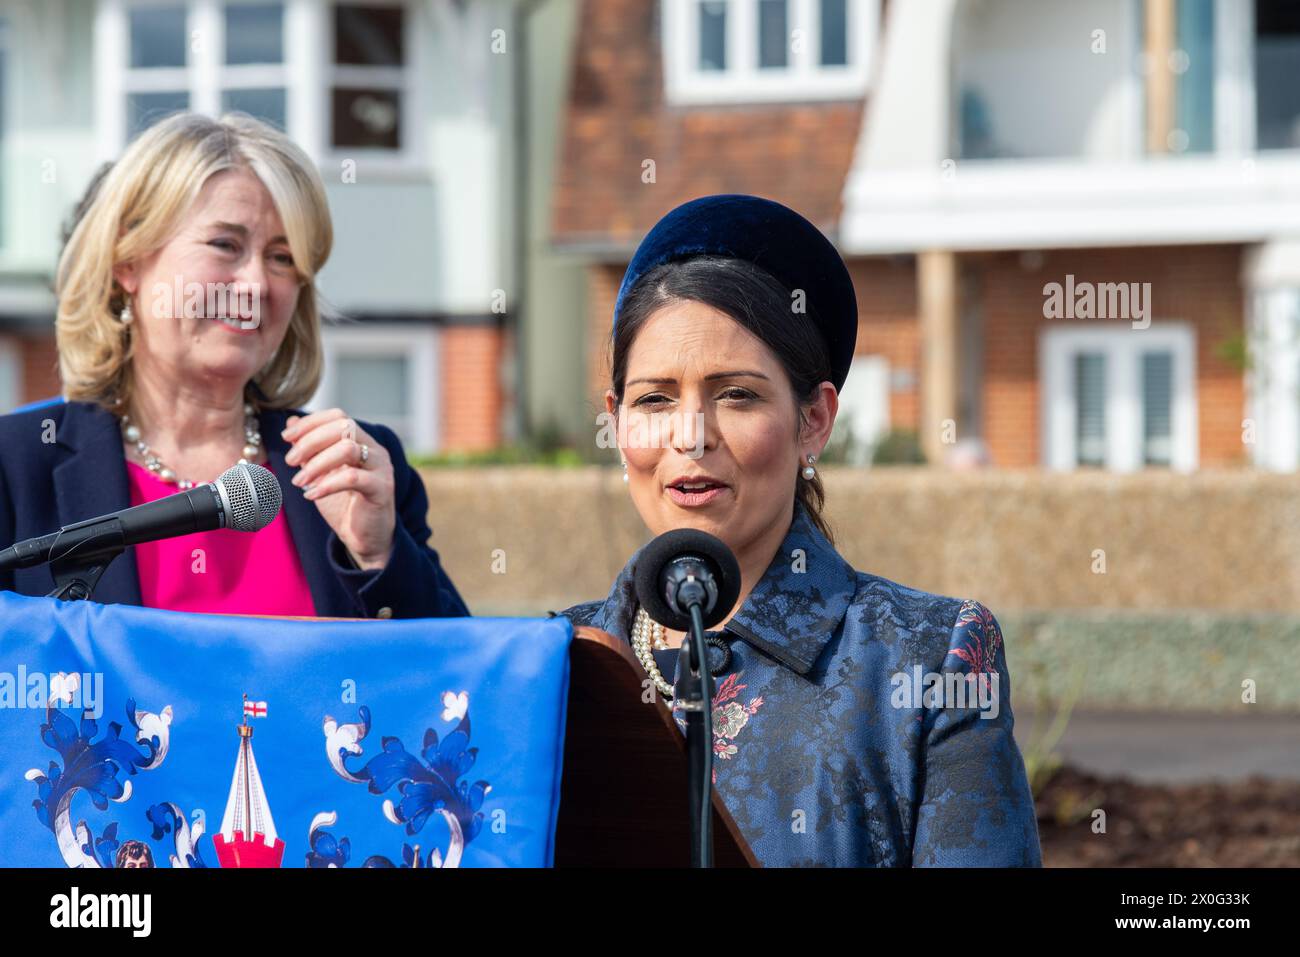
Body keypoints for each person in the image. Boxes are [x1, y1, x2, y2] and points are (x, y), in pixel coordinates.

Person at [556, 194, 1041, 866]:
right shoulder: (558, 661)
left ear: (814, 419)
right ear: (617, 420)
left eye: (737, 394)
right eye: (654, 399)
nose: (690, 435)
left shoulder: (928, 659)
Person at [0, 112, 466, 620]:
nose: (256, 286)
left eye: (282, 258)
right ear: (127, 262)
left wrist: (379, 557)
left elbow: (462, 680)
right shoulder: (17, 466)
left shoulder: (352, 468)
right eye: (225, 245)